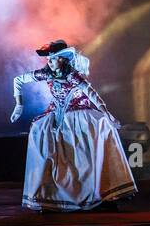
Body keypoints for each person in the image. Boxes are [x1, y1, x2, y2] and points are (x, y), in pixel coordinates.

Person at [12, 40, 136, 211]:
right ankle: (49, 194)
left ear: (62, 60)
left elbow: (92, 94)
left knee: (95, 134)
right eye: (48, 58)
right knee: (39, 133)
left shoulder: (72, 75)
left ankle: (100, 190)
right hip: (56, 113)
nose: (49, 61)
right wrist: (19, 105)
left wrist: (106, 113)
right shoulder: (46, 74)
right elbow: (18, 80)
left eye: (53, 58)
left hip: (79, 112)